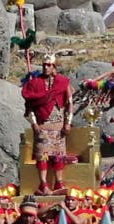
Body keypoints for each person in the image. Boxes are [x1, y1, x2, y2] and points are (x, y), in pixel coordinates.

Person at [21, 54, 75, 195]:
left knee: (58, 156)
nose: (46, 67)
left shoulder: (63, 83)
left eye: (49, 65)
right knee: (43, 156)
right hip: (42, 126)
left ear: (54, 67)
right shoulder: (35, 83)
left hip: (58, 127)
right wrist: (33, 123)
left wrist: (68, 123)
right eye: (44, 65)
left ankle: (59, 182)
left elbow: (69, 103)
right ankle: (43, 184)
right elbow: (29, 106)